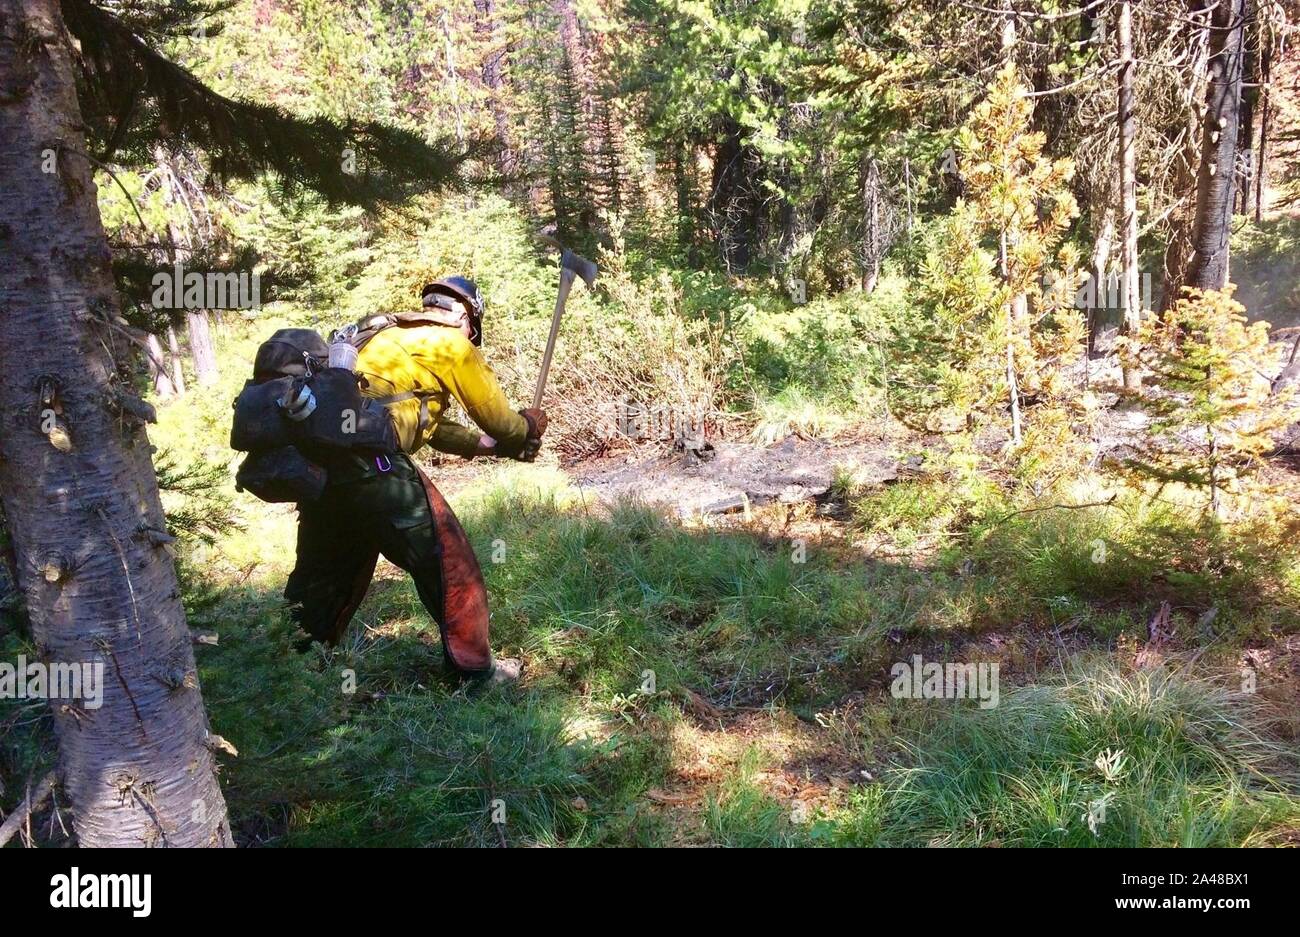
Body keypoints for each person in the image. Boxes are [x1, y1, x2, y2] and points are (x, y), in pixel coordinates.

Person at [284, 277, 546, 683]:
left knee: (328, 569)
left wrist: (494, 447)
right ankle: (474, 674)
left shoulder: (388, 337)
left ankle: (290, 666)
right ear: (466, 317)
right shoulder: (450, 343)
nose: (471, 339)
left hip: (322, 466)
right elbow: (499, 420)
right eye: (473, 331)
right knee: (449, 560)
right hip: (374, 464)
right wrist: (525, 427)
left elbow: (431, 427)